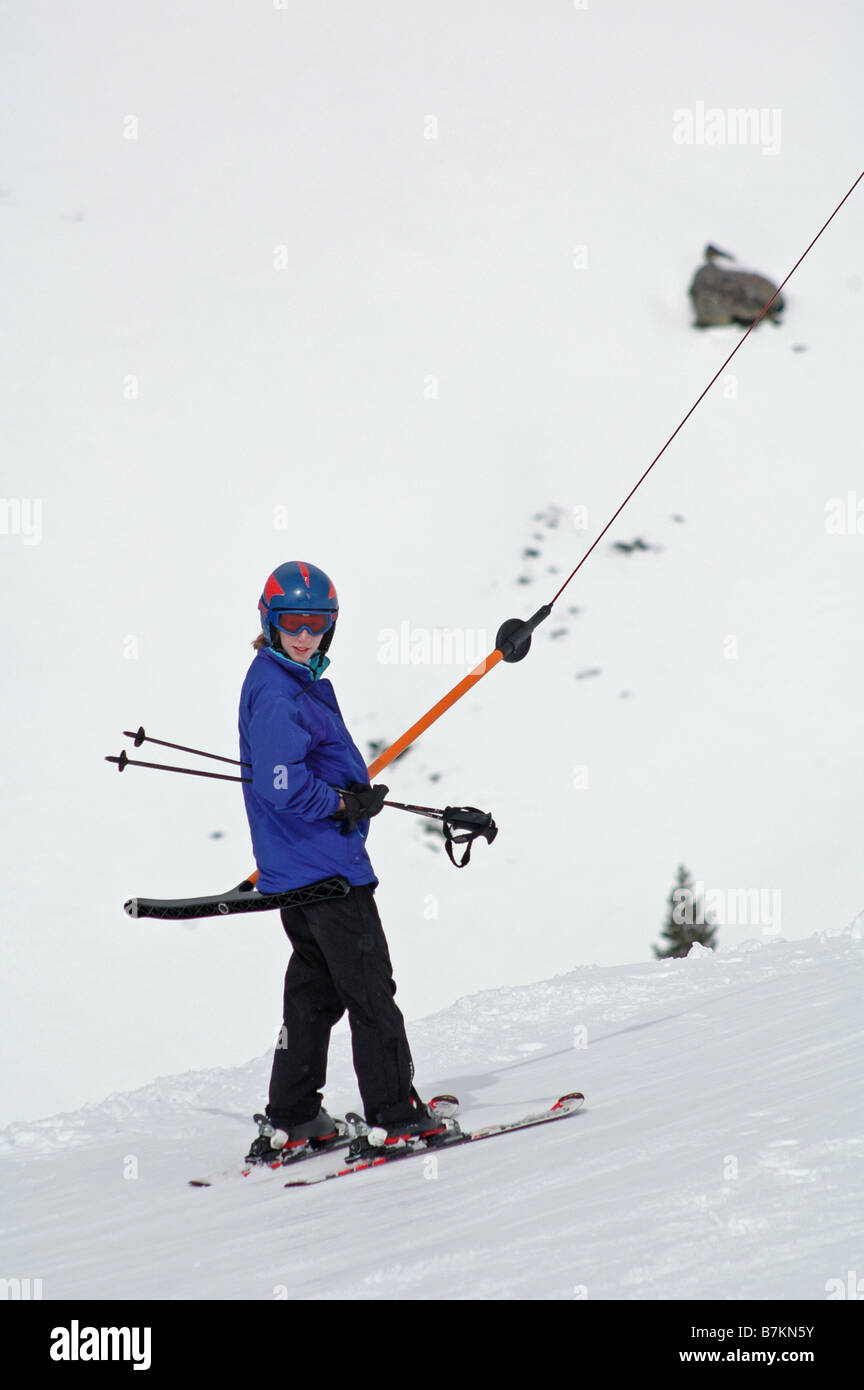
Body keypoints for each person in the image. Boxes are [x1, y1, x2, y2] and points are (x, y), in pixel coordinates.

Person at [238, 560, 443, 1163]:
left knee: (314, 993)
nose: (306, 635)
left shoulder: (293, 677)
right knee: (370, 991)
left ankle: (295, 1114)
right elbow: (281, 783)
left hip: (299, 869)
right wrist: (342, 801)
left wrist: (350, 797)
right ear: (269, 621)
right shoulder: (279, 690)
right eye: (293, 623)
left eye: (319, 624)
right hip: (326, 870)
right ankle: (393, 1115)